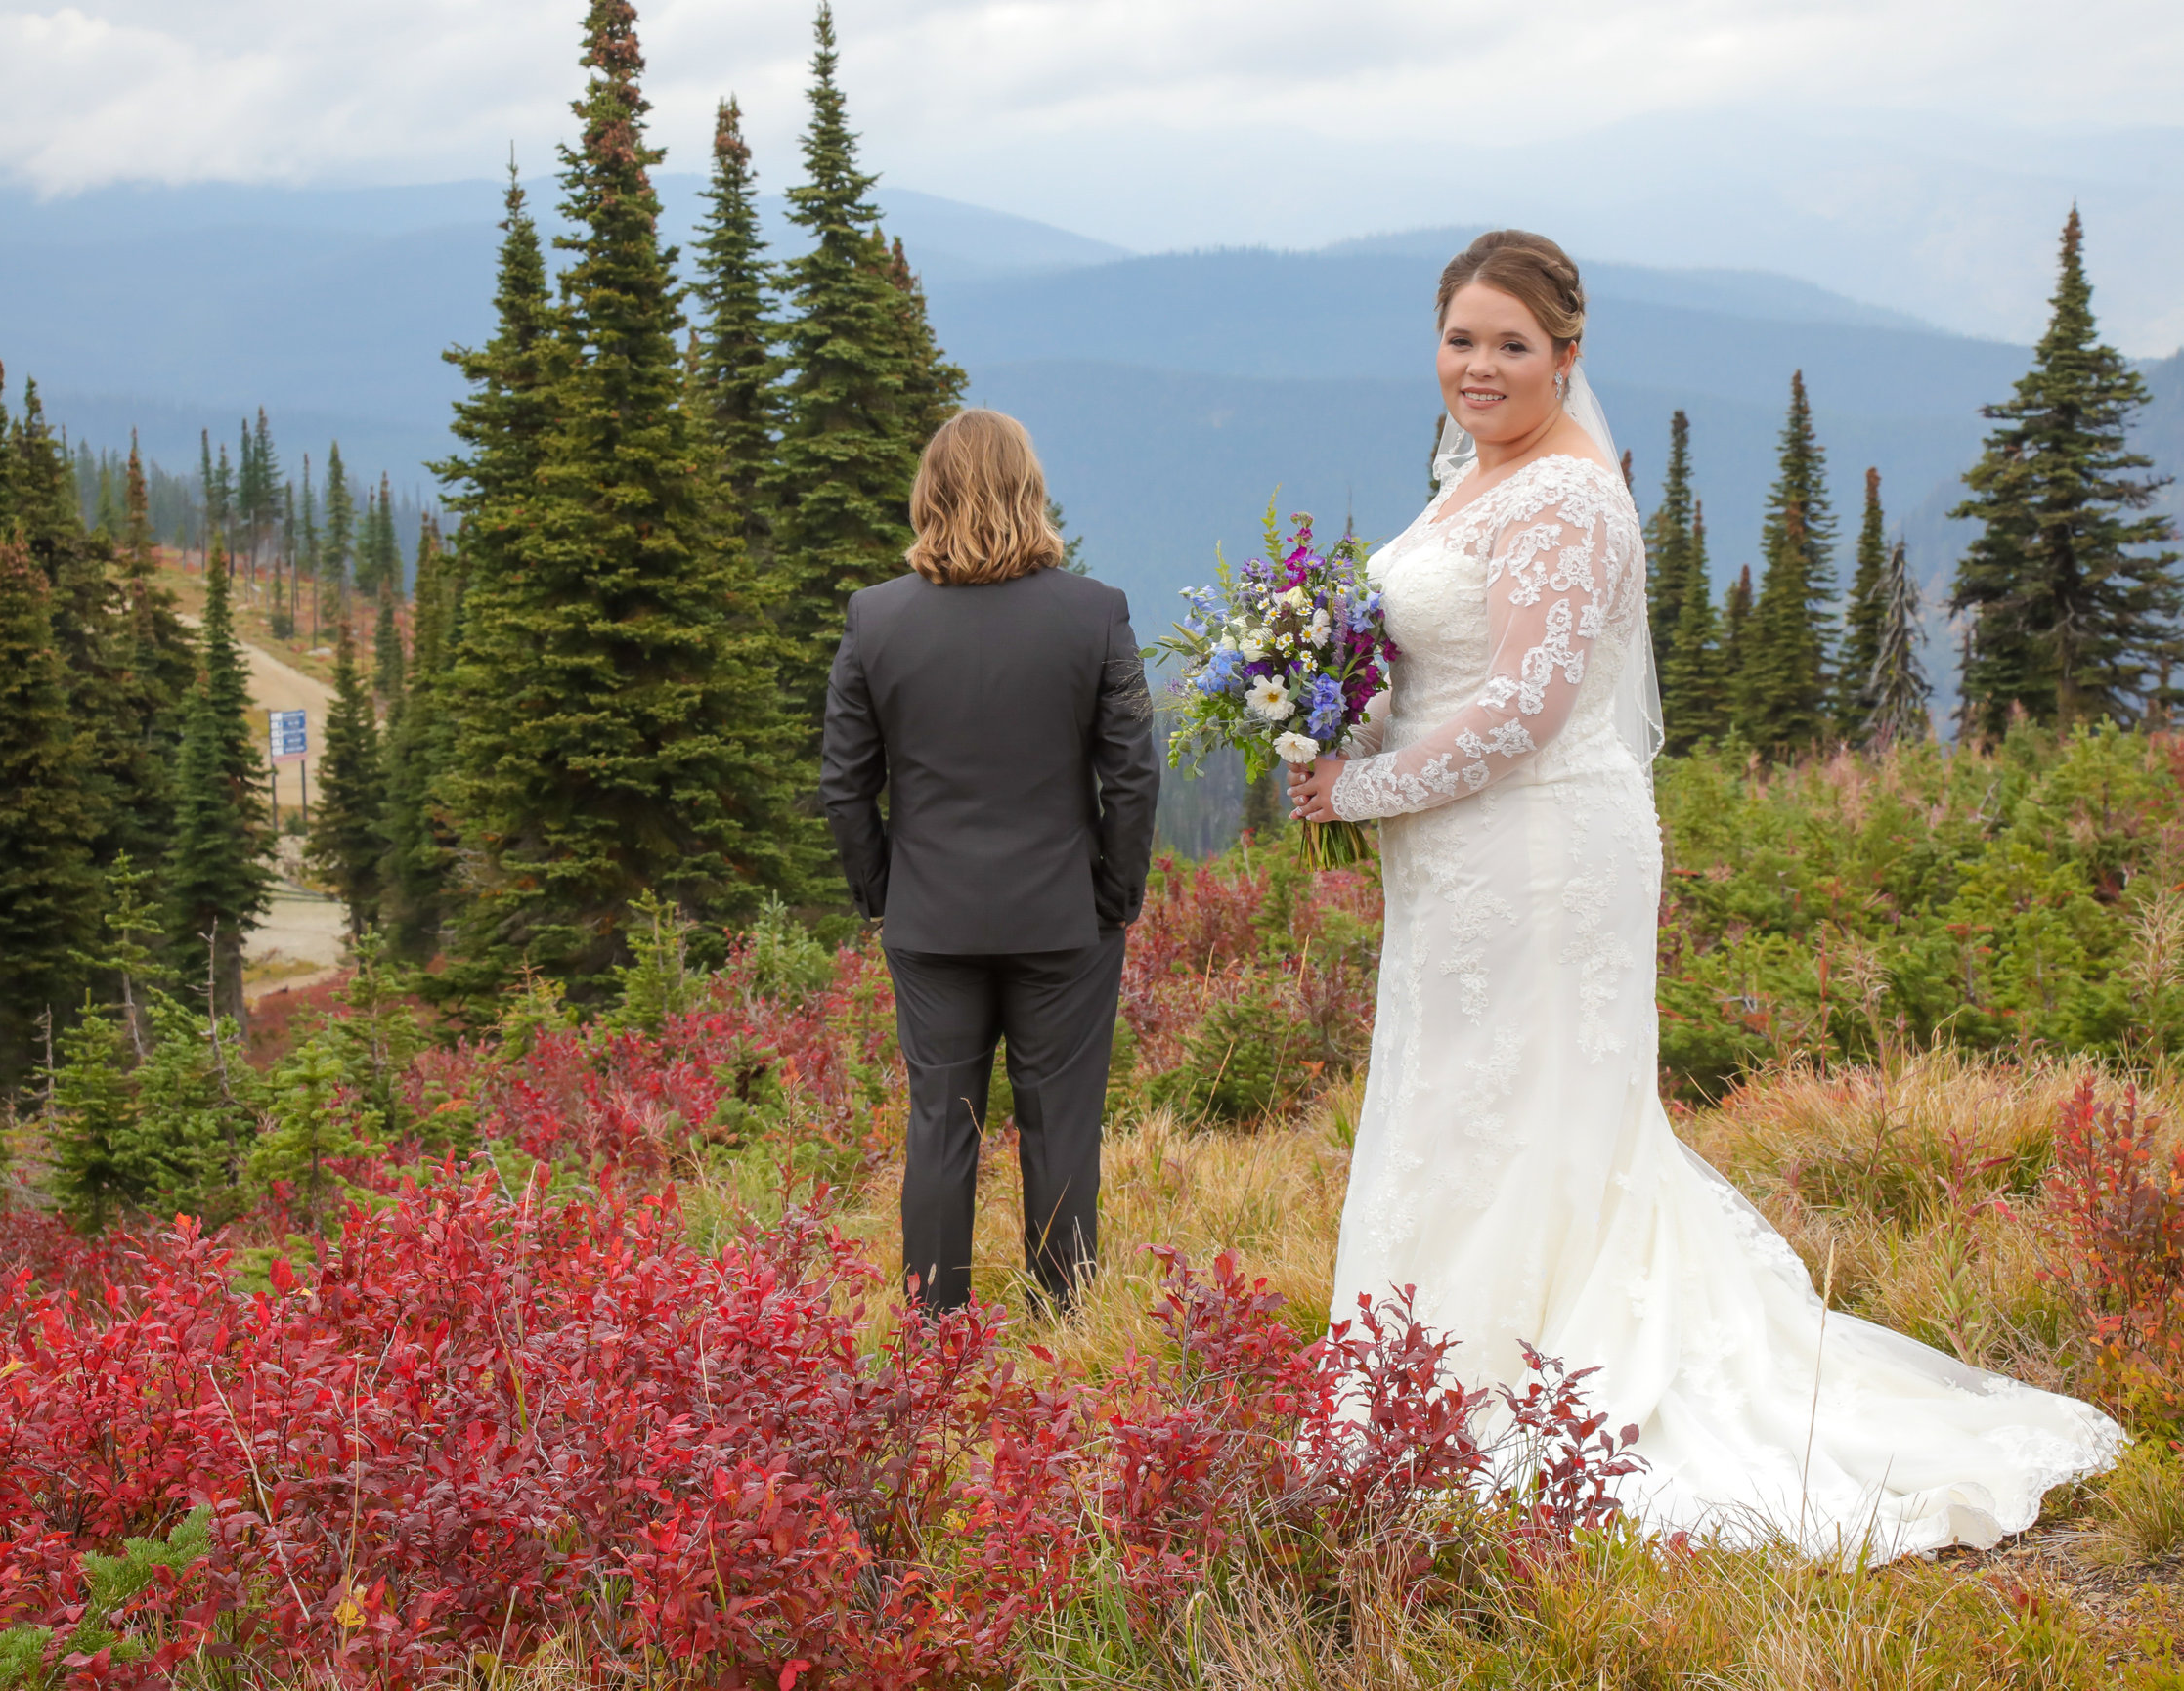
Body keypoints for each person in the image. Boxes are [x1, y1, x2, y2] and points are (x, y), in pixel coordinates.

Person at [1286, 230, 2122, 1559]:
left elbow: (1523, 706)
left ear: (1566, 355)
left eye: (1510, 344)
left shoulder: (1561, 497)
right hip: (1459, 853)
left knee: (1534, 1099)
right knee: (1460, 1092)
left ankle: (1526, 1382)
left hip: (1538, 846)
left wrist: (1356, 790)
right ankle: (1435, 1371)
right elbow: (1442, 662)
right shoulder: (1471, 474)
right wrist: (1330, 718)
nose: (1479, 366)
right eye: (1459, 339)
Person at [821, 408, 1160, 1316]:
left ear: (927, 495)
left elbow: (844, 788)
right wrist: (1113, 896)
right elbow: (1132, 775)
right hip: (1065, 920)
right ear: (1030, 491)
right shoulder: (1097, 615)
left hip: (930, 919)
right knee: (1061, 1126)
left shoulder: (874, 619)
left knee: (939, 1127)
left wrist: (884, 898)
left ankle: (933, 1333)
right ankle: (1061, 1321)